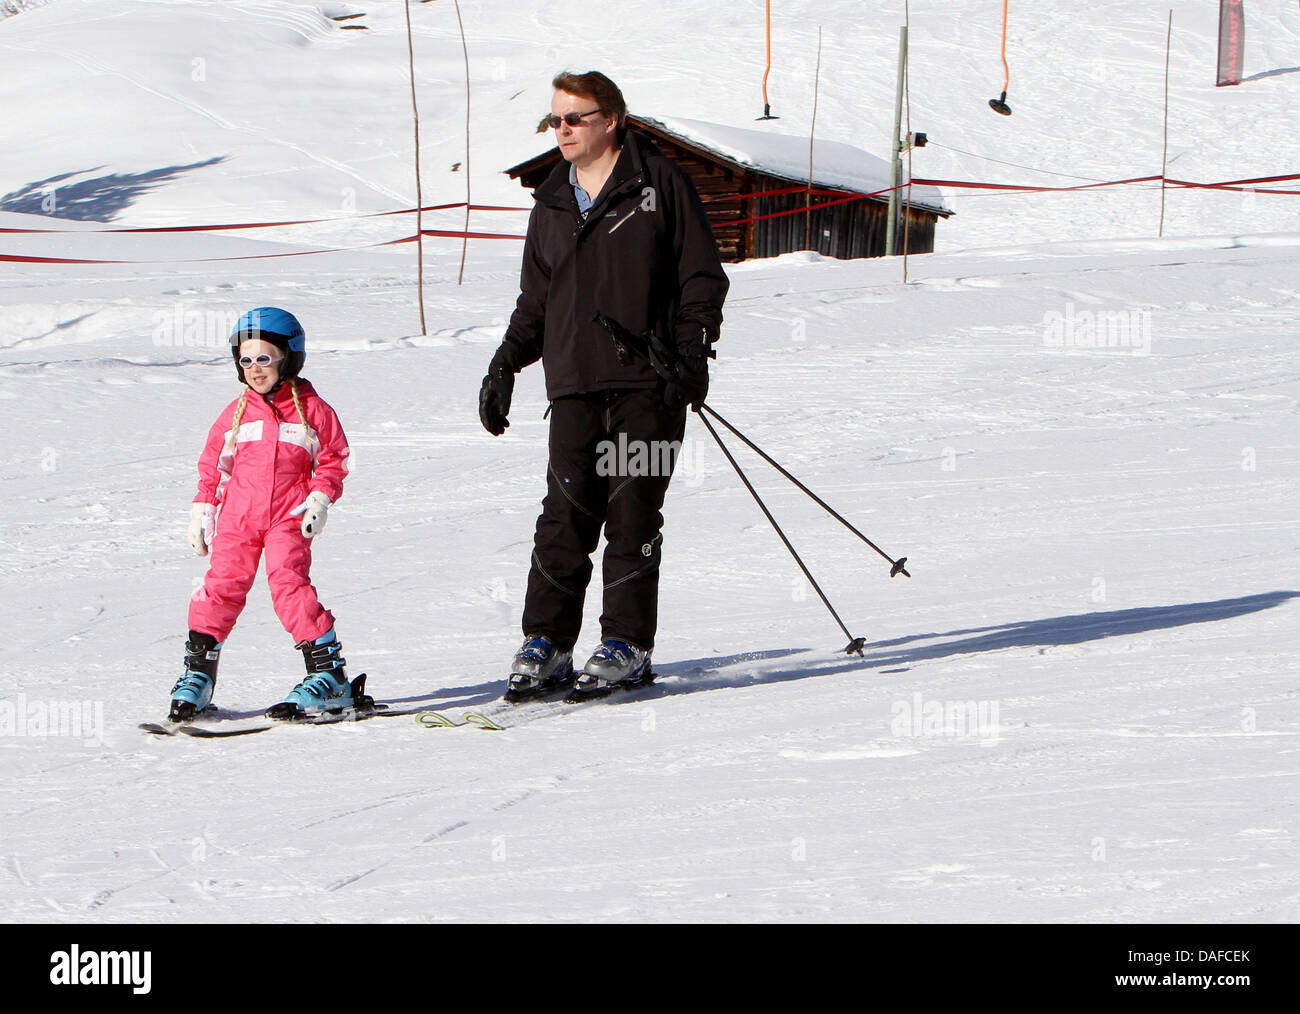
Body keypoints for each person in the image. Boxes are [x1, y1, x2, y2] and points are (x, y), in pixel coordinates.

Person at [479, 70, 729, 699]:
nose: (561, 130)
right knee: (564, 514)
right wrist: (507, 363)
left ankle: (626, 644)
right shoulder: (552, 201)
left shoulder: (658, 183)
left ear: (611, 119)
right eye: (554, 120)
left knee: (632, 511)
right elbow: (536, 300)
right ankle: (548, 643)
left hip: (649, 382)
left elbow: (701, 275)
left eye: (574, 118)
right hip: (573, 387)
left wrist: (692, 349)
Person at [168, 307, 353, 722]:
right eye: (245, 359)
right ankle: (197, 676)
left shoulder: (313, 410)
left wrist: (320, 499)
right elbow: (213, 467)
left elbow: (333, 461)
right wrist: (203, 510)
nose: (254, 368)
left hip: (289, 515)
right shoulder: (235, 414)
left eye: (264, 358)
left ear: (289, 357)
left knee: (289, 585)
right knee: (220, 587)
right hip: (238, 518)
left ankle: (329, 677)